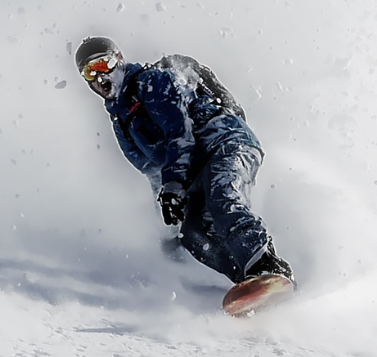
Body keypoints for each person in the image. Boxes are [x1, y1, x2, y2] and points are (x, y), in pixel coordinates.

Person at [75, 35, 293, 287]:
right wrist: (169, 227)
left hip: (225, 142)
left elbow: (180, 133)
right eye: (90, 71)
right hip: (196, 170)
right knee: (192, 235)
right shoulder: (122, 123)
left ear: (120, 60)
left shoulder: (150, 82)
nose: (100, 76)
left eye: (104, 65)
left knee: (222, 196)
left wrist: (175, 186)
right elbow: (154, 173)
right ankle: (251, 281)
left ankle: (267, 264)